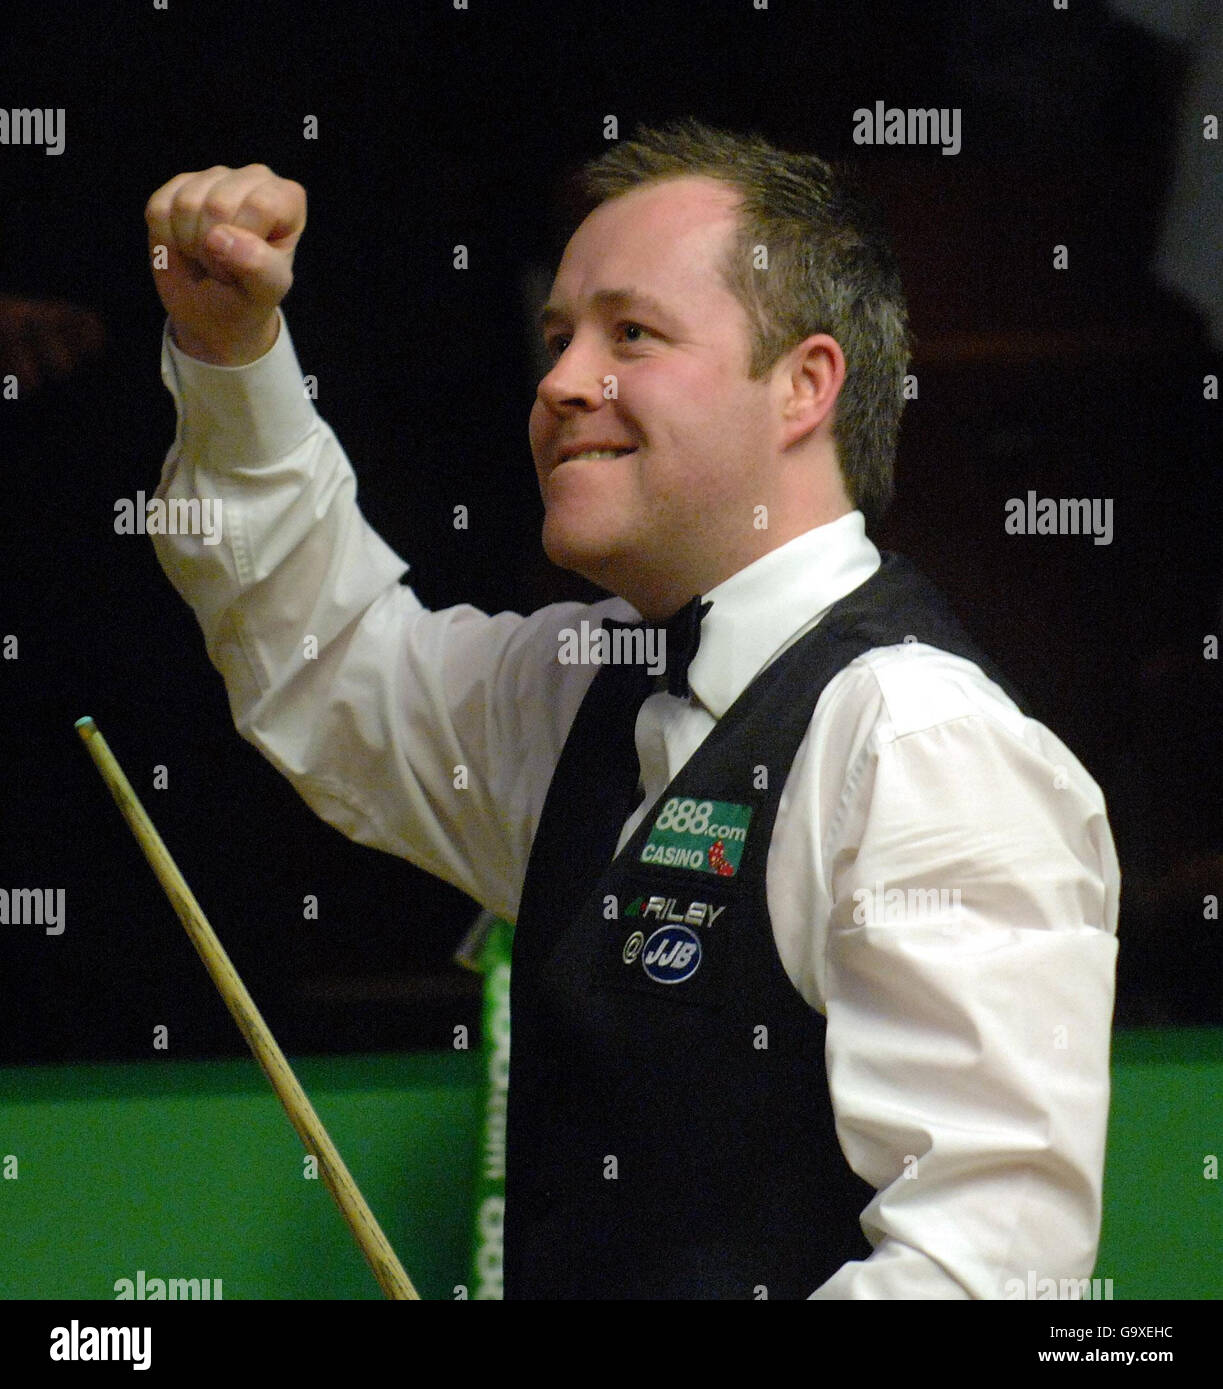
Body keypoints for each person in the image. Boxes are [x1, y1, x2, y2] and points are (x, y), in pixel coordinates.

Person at [144, 119, 1120, 1300]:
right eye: (556, 337)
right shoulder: (580, 690)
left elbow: (982, 1276)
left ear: (804, 384)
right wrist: (233, 351)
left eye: (631, 334)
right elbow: (326, 661)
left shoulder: (917, 747)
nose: (558, 382)